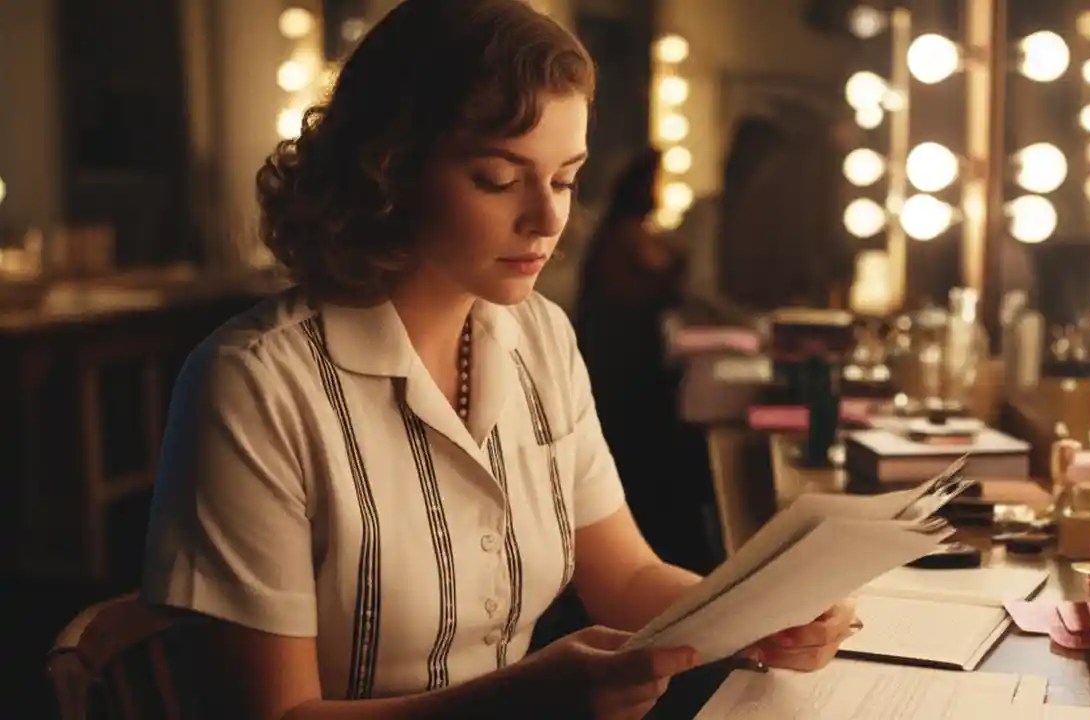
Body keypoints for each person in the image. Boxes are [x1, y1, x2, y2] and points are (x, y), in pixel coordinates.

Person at [141, 1, 856, 718]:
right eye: (497, 178)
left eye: (565, 179)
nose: (547, 220)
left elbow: (628, 576)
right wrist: (520, 701)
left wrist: (760, 617)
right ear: (388, 169)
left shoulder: (541, 335)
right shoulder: (254, 385)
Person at [574, 147, 714, 572]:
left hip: (625, 357)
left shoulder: (621, 231)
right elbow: (666, 272)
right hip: (627, 362)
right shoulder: (629, 235)